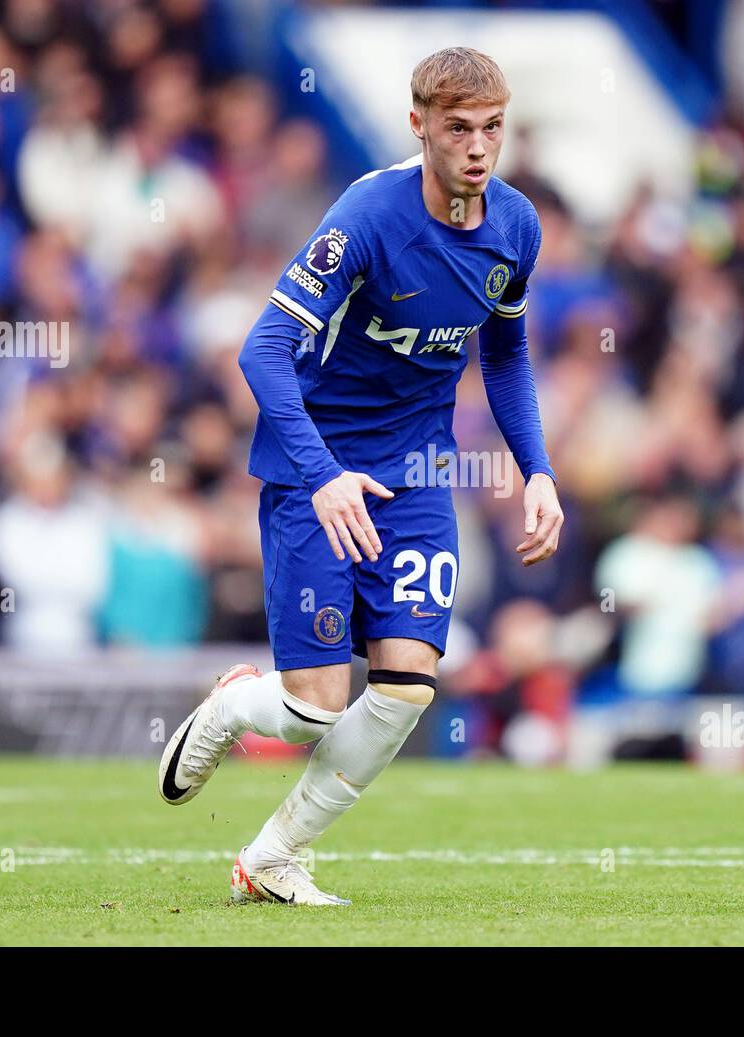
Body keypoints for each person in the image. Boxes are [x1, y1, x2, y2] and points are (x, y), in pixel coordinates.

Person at [158, 47, 563, 905]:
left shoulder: (517, 225)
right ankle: (237, 704)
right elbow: (262, 349)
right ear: (419, 127)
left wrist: (538, 471)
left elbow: (507, 352)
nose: (479, 148)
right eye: (459, 129)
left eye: (493, 128)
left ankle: (271, 855)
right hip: (319, 467)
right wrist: (323, 475)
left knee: (409, 681)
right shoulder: (366, 218)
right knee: (312, 708)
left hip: (417, 472)